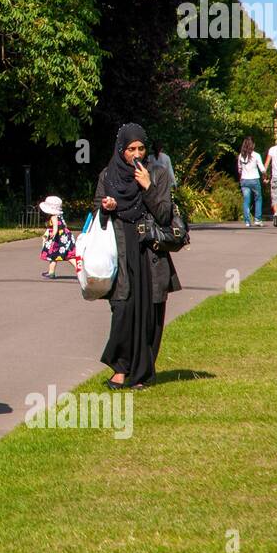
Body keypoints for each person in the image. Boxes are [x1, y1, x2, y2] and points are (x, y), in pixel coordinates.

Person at [94, 123, 182, 390]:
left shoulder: (157, 173)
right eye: (131, 149)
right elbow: (98, 208)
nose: (137, 154)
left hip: (150, 251)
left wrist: (148, 187)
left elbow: (165, 215)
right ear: (121, 149)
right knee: (122, 309)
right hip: (121, 251)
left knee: (149, 314)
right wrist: (106, 206)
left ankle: (141, 373)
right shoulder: (108, 176)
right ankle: (120, 368)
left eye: (141, 148)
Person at [38, 195, 74, 278]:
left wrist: (53, 233)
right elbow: (64, 225)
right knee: (54, 255)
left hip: (59, 239)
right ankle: (51, 272)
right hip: (64, 237)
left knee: (67, 255)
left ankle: (80, 270)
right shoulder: (59, 216)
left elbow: (55, 227)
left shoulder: (54, 217)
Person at [236, 136, 266, 227]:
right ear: (253, 145)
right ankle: (257, 219)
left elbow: (239, 169)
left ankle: (247, 221)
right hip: (254, 179)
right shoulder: (256, 155)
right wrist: (265, 177)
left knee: (246, 200)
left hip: (244, 180)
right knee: (258, 199)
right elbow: (262, 169)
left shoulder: (241, 155)